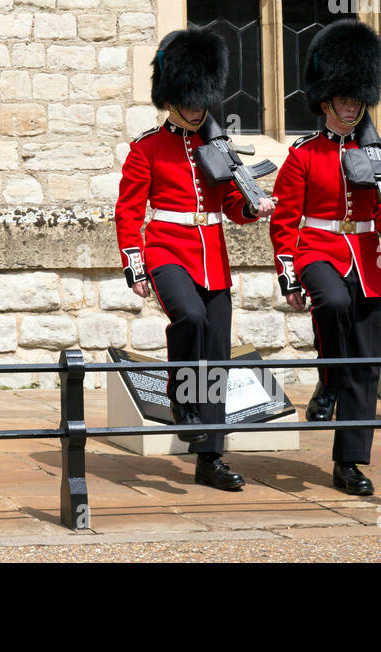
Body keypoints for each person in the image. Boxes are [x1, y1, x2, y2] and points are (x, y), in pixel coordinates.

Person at [116, 28, 276, 491]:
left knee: (217, 357)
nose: (193, 107)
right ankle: (179, 394)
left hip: (212, 256)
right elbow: (129, 210)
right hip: (165, 249)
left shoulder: (217, 148)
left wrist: (251, 207)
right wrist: (134, 262)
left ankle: (210, 456)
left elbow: (228, 205)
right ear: (172, 98)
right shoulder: (147, 149)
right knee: (188, 318)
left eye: (199, 99)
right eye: (186, 99)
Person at [269, 18, 381, 495]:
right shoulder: (303, 156)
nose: (352, 107)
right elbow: (284, 221)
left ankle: (349, 463)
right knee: (330, 303)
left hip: (368, 259)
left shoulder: (377, 156)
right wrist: (290, 275)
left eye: (357, 100)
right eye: (345, 99)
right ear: (327, 101)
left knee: (367, 364)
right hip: (318, 251)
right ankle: (327, 377)